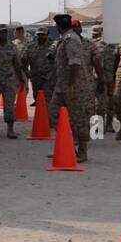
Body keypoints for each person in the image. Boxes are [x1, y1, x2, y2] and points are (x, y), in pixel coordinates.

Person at [52, 13, 96, 162]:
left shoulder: (70, 39)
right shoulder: (65, 39)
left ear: (58, 26)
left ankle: (82, 151)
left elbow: (75, 63)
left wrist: (71, 85)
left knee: (79, 119)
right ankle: (66, 146)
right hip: (62, 85)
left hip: (74, 86)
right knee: (54, 115)